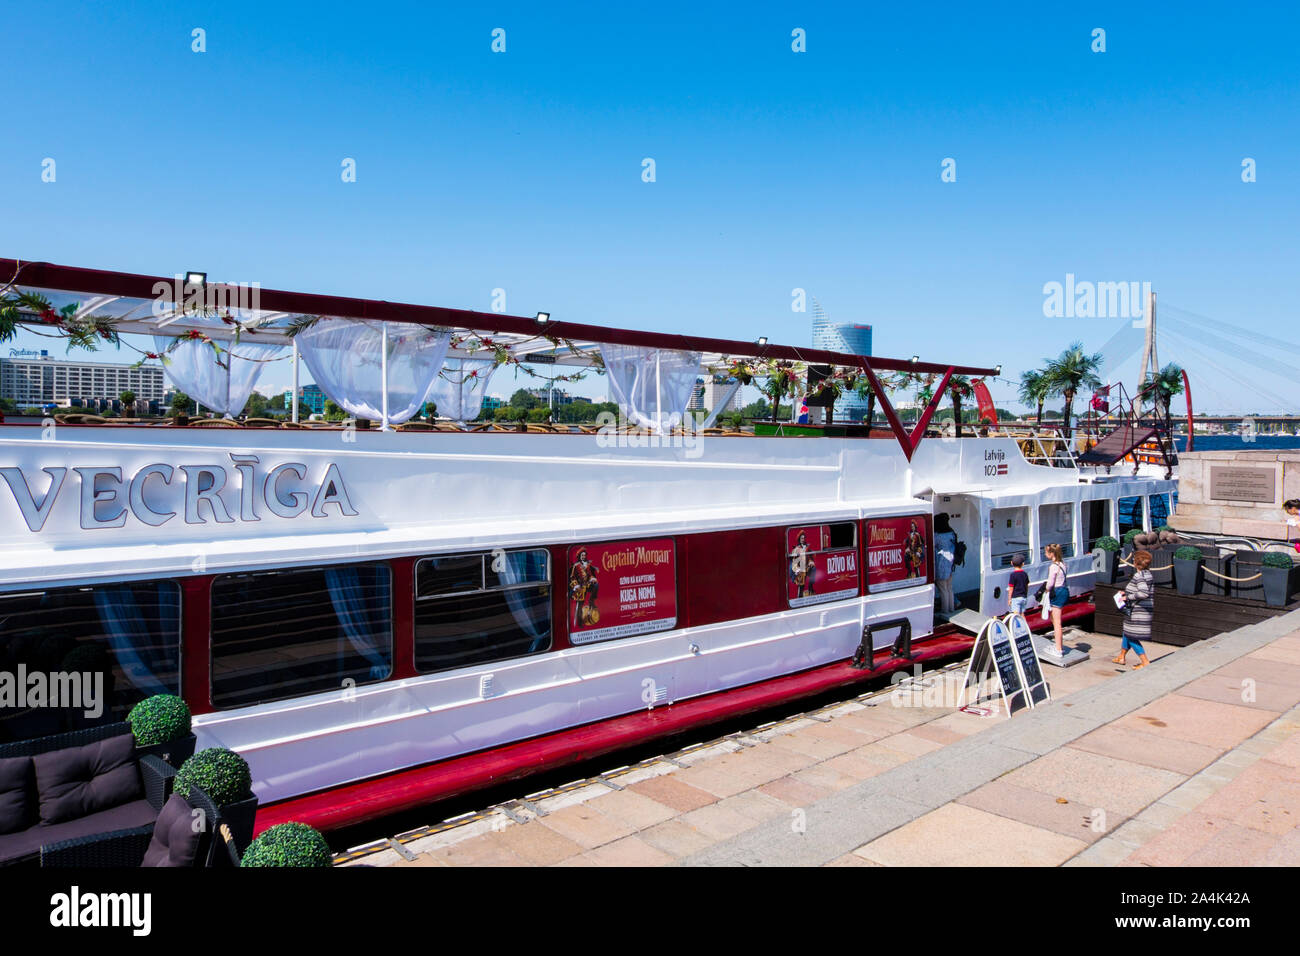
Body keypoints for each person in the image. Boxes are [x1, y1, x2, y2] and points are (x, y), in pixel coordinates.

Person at [1113, 549, 1154, 669]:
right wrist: (1125, 592)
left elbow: (1143, 593)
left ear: (1136, 563)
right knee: (1127, 632)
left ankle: (1144, 660)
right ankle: (1121, 656)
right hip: (1143, 610)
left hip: (1138, 611)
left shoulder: (1139, 575)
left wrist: (1127, 597)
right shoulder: (1148, 574)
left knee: (1131, 636)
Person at [1043, 542, 1069, 656]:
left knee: (1057, 623)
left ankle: (1058, 649)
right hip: (1064, 590)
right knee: (1054, 619)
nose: (1045, 554)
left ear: (1052, 553)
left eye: (1046, 552)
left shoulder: (1053, 567)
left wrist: (1045, 590)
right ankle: (1058, 645)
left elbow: (1050, 584)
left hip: (1056, 592)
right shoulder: (1063, 564)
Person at [933, 513, 959, 613]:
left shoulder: (937, 535)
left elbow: (932, 545)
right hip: (950, 563)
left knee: (943, 589)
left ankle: (945, 611)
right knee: (949, 588)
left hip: (941, 564)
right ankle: (951, 609)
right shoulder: (951, 533)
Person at [568, 548, 599, 627]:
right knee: (579, 605)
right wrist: (576, 585)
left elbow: (590, 574)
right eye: (582, 555)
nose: (583, 556)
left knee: (596, 585)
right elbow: (572, 577)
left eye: (584, 555)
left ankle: (591, 601)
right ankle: (579, 623)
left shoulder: (588, 565)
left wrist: (592, 578)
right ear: (579, 556)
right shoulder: (576, 566)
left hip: (587, 584)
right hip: (580, 587)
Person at [789, 531, 815, 597]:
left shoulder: (807, 547)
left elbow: (810, 557)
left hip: (807, 567)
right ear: (799, 539)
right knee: (801, 586)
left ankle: (810, 588)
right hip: (800, 568)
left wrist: (810, 562)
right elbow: (794, 561)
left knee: (813, 570)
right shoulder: (796, 549)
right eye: (801, 538)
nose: (803, 540)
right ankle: (800, 597)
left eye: (804, 538)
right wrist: (797, 569)